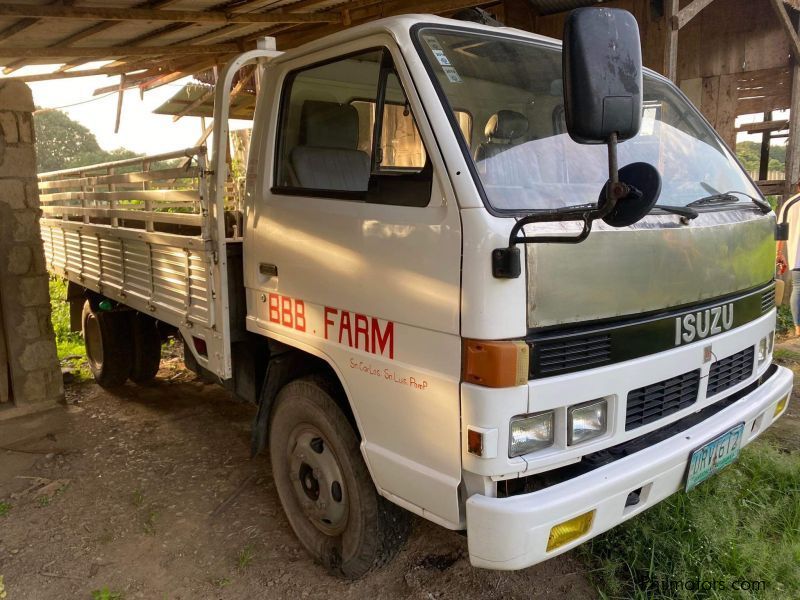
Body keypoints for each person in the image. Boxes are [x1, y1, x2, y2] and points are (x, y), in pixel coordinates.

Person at [777, 180, 800, 336]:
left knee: (798, 288)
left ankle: (798, 327)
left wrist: (779, 254)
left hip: (796, 255)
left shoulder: (790, 204)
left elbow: (780, 231)